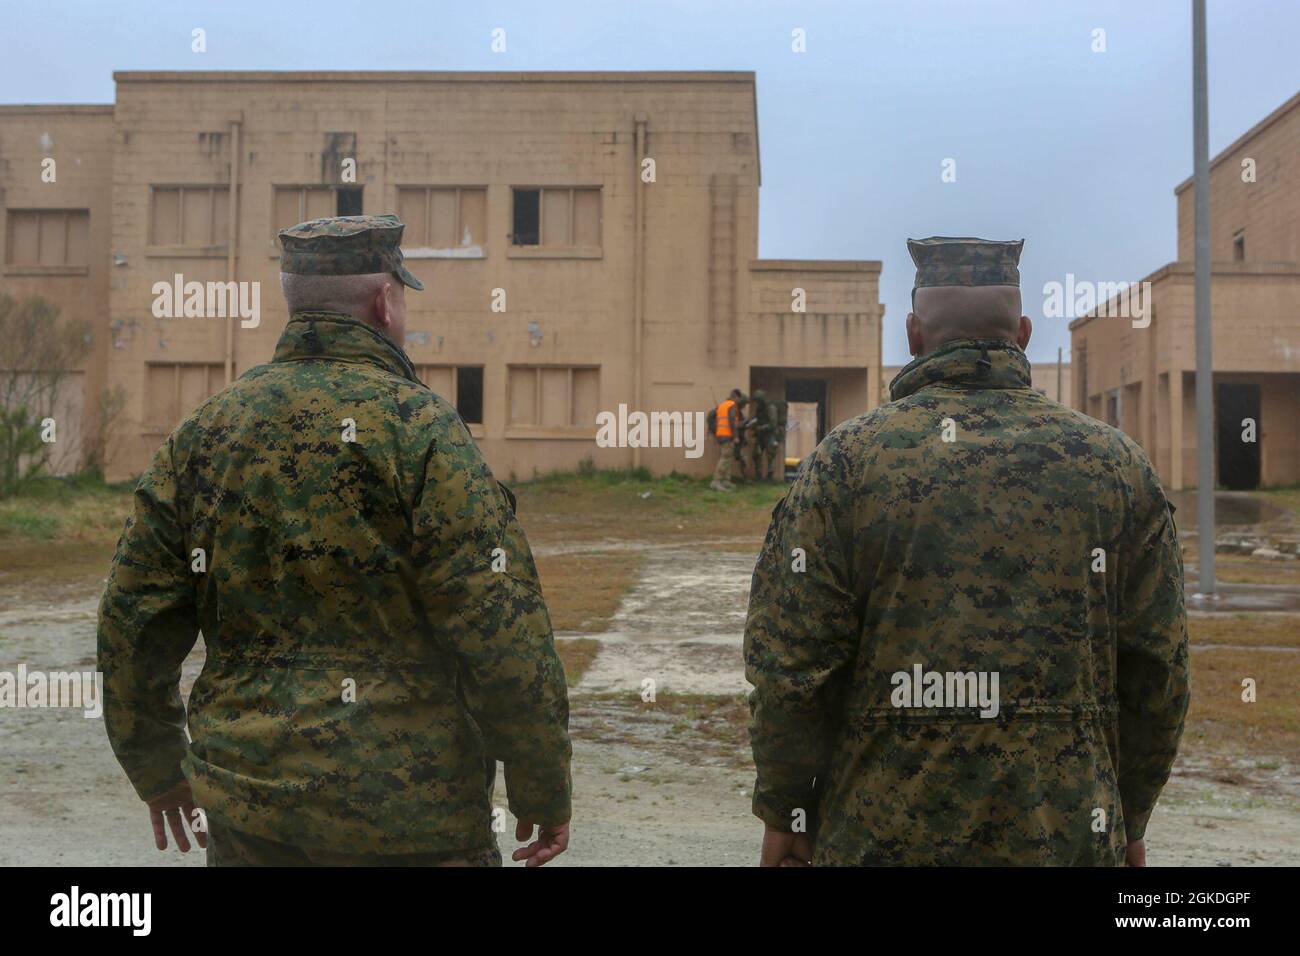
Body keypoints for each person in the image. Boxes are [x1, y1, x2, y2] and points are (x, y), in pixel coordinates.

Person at [98, 214, 572, 867]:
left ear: (293, 304)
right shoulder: (424, 431)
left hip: (251, 816)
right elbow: (502, 630)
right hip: (414, 821)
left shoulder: (204, 435)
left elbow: (132, 622)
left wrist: (157, 770)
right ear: (385, 301)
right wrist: (540, 786)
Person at [744, 236, 1189, 866]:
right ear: (1024, 334)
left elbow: (791, 665)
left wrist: (788, 809)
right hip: (1064, 836)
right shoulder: (1116, 468)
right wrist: (1129, 819)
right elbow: (1158, 671)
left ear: (913, 334)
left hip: (881, 835)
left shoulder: (845, 464)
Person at [710, 388, 745, 491]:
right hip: (728, 435)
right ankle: (717, 481)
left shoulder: (723, 405)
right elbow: (732, 422)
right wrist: (735, 436)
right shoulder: (732, 405)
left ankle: (725, 480)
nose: (739, 401)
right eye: (739, 398)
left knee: (728, 458)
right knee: (725, 458)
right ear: (736, 397)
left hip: (720, 434)